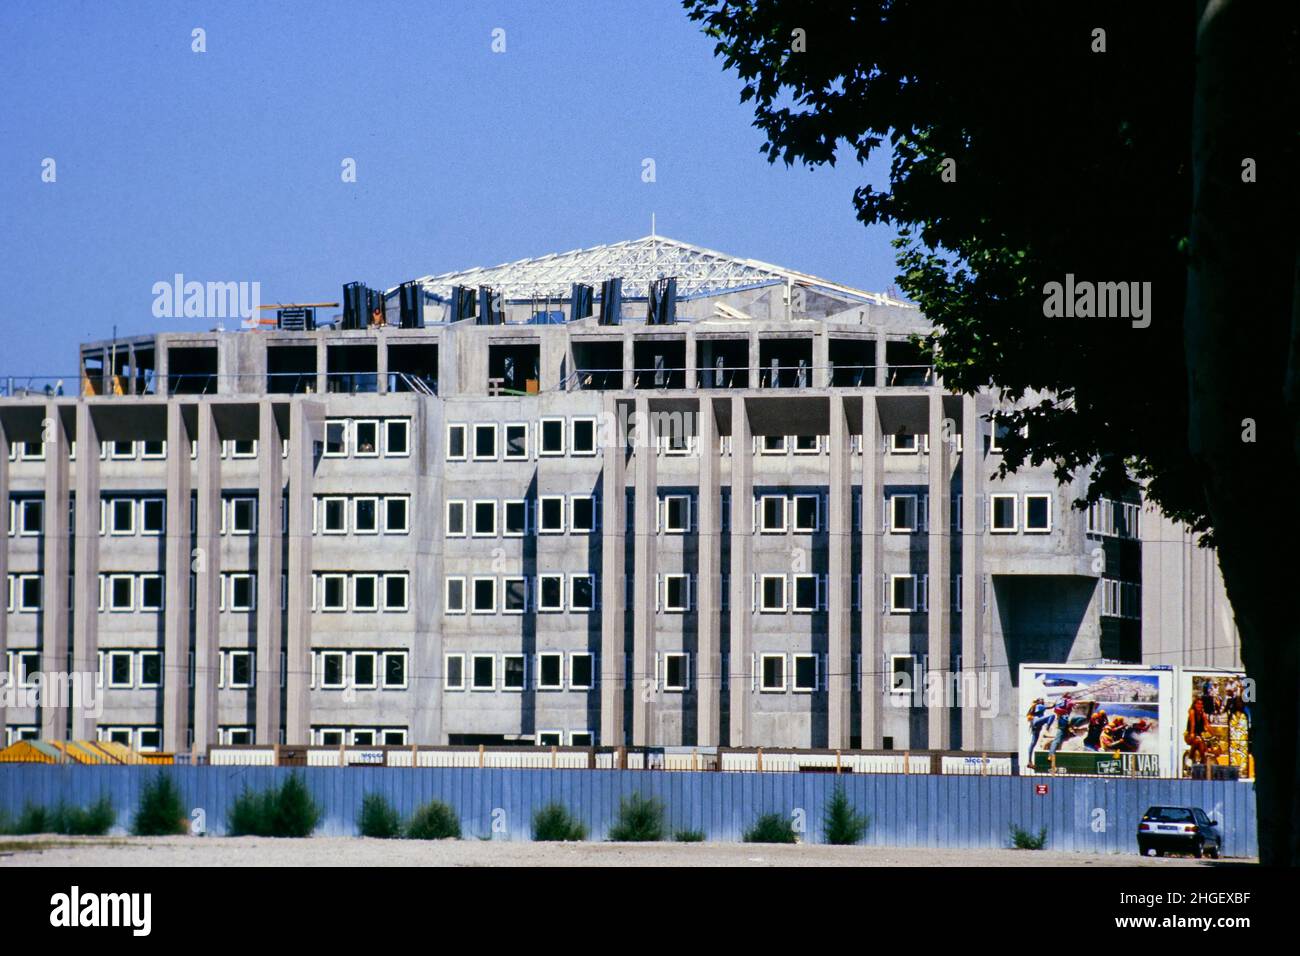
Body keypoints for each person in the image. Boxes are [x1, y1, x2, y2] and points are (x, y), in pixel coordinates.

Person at [1185, 697, 1210, 765]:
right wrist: (1192, 733)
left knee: (1202, 747)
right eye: (1198, 704)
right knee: (1197, 740)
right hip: (1190, 734)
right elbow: (1193, 724)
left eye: (1201, 704)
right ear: (1195, 704)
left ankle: (1202, 763)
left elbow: (1207, 725)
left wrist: (1212, 734)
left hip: (1199, 735)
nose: (1200, 706)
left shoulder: (1203, 714)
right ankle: (1190, 758)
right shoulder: (1192, 712)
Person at [1026, 698, 1051, 762]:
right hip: (1037, 723)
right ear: (1038, 701)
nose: (1043, 701)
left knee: (1033, 743)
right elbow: (1049, 707)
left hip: (1037, 726)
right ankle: (1047, 728)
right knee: (1052, 716)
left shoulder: (1036, 707)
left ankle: (1029, 761)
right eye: (1042, 700)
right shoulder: (1039, 706)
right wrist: (1054, 704)